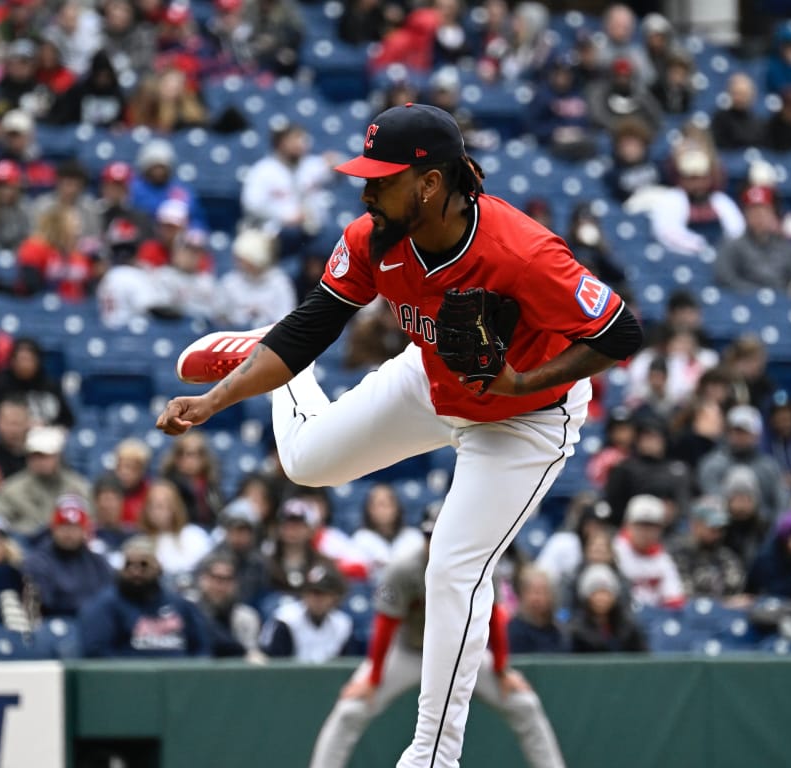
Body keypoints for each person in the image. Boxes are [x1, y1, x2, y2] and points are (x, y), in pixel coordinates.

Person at [161, 103, 641, 768]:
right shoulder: (372, 236)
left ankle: (430, 757)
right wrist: (217, 397)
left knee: (452, 567)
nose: (366, 191)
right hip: (435, 375)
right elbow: (312, 327)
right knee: (304, 462)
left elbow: (621, 333)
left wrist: (522, 384)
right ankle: (261, 364)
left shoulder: (522, 252)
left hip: (526, 419)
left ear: (430, 183)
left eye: (381, 178)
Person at [309, 537, 565, 768]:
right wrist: (374, 678)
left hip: (460, 654)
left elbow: (494, 620)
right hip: (409, 652)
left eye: (439, 535)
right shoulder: (404, 569)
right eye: (429, 537)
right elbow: (385, 624)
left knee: (524, 704)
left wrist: (501, 669)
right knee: (350, 709)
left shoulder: (478, 564)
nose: (434, 542)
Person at [79, 536, 209, 658]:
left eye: (144, 565)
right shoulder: (105, 605)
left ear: (158, 568)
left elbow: (203, 648)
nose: (135, 571)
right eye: (129, 565)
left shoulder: (180, 604)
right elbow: (96, 652)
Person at [240, 123, 335, 258]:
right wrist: (286, 216)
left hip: (312, 230)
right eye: (294, 139)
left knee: (334, 236)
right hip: (274, 231)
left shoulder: (311, 165)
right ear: (280, 143)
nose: (300, 144)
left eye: (302, 139)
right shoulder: (263, 170)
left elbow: (339, 167)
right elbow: (251, 204)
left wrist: (334, 160)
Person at [0, 426, 91, 537]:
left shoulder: (78, 488)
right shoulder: (10, 491)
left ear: (58, 456)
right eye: (34, 456)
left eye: (45, 456)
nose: (39, 461)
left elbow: (90, 523)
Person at [23, 496, 114, 618]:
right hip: (51, 625)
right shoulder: (37, 561)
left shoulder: (98, 562)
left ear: (84, 531)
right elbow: (44, 603)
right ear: (53, 528)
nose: (69, 533)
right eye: (63, 526)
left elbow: (108, 598)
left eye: (74, 527)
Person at [696, 406, 791, 520]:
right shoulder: (713, 464)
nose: (739, 436)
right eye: (736, 431)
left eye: (745, 432)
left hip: (762, 527)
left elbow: (782, 503)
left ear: (757, 435)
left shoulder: (768, 466)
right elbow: (709, 503)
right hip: (721, 527)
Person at [259, 563, 354, 663]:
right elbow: (275, 662)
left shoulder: (342, 623)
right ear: (304, 594)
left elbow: (347, 663)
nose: (317, 599)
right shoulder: (286, 619)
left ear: (334, 597)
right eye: (313, 593)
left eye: (323, 594)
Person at [602, 418, 690, 523]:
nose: (650, 442)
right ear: (638, 440)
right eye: (646, 437)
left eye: (655, 437)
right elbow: (613, 506)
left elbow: (685, 505)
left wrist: (675, 511)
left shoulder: (678, 469)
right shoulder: (624, 469)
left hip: (670, 530)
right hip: (632, 526)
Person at [714, 186, 791, 293]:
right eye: (753, 211)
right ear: (745, 215)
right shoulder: (732, 246)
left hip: (780, 303)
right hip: (742, 302)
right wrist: (757, 294)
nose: (759, 217)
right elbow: (725, 278)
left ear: (773, 214)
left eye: (764, 211)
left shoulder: (786, 248)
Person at [213, 229, 296, 330]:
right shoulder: (229, 282)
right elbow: (220, 317)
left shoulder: (280, 282)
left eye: (243, 259)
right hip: (237, 337)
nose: (239, 263)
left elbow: (287, 319)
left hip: (270, 337)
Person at [140, 480, 214, 585]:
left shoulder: (195, 536)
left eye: (162, 505)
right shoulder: (140, 543)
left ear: (175, 506)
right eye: (153, 505)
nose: (157, 511)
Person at [0, 338, 74, 428]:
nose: (24, 365)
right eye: (21, 359)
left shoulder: (51, 385)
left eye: (28, 360)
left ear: (38, 361)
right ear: (12, 362)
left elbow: (67, 420)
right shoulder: (0, 384)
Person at [193, 553, 263, 659]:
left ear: (235, 584)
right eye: (215, 578)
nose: (220, 586)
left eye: (227, 579)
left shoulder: (246, 617)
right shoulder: (189, 609)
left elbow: (251, 656)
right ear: (203, 579)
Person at [567, 563, 646, 653]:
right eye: (596, 592)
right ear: (587, 597)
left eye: (606, 592)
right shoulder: (576, 630)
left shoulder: (628, 627)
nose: (601, 598)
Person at [350, 483, 424, 577]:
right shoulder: (360, 539)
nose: (383, 510)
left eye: (387, 504)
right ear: (369, 509)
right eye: (378, 505)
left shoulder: (414, 537)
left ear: (397, 508)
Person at [507, 566, 567, 654]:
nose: (538, 598)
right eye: (534, 592)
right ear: (522, 594)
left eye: (544, 591)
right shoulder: (514, 630)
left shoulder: (558, 631)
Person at [0, 397, 32, 480]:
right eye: (7, 423)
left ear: (28, 424)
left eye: (17, 423)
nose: (13, 430)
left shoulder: (37, 454)